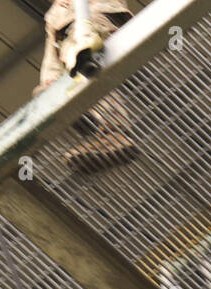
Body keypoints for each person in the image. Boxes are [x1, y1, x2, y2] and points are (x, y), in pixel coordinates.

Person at [34, 0, 138, 173]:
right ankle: (101, 132)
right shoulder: (55, 13)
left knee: (85, 62)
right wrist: (49, 86)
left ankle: (114, 130)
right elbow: (52, 53)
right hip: (72, 39)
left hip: (94, 20)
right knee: (51, 92)